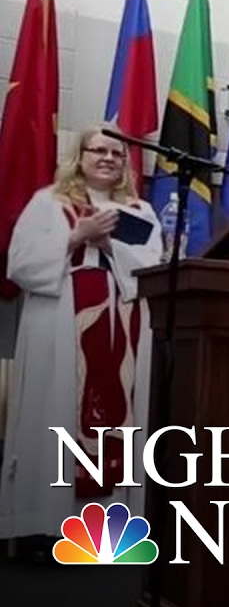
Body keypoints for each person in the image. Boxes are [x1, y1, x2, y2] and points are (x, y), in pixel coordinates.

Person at [0, 127, 162, 558]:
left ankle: (110, 534)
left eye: (117, 153)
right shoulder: (49, 202)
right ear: (80, 155)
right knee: (54, 408)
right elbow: (20, 264)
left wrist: (108, 240)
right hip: (59, 323)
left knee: (120, 419)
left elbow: (150, 266)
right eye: (98, 150)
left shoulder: (139, 210)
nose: (108, 158)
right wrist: (76, 235)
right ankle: (44, 525)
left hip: (123, 322)